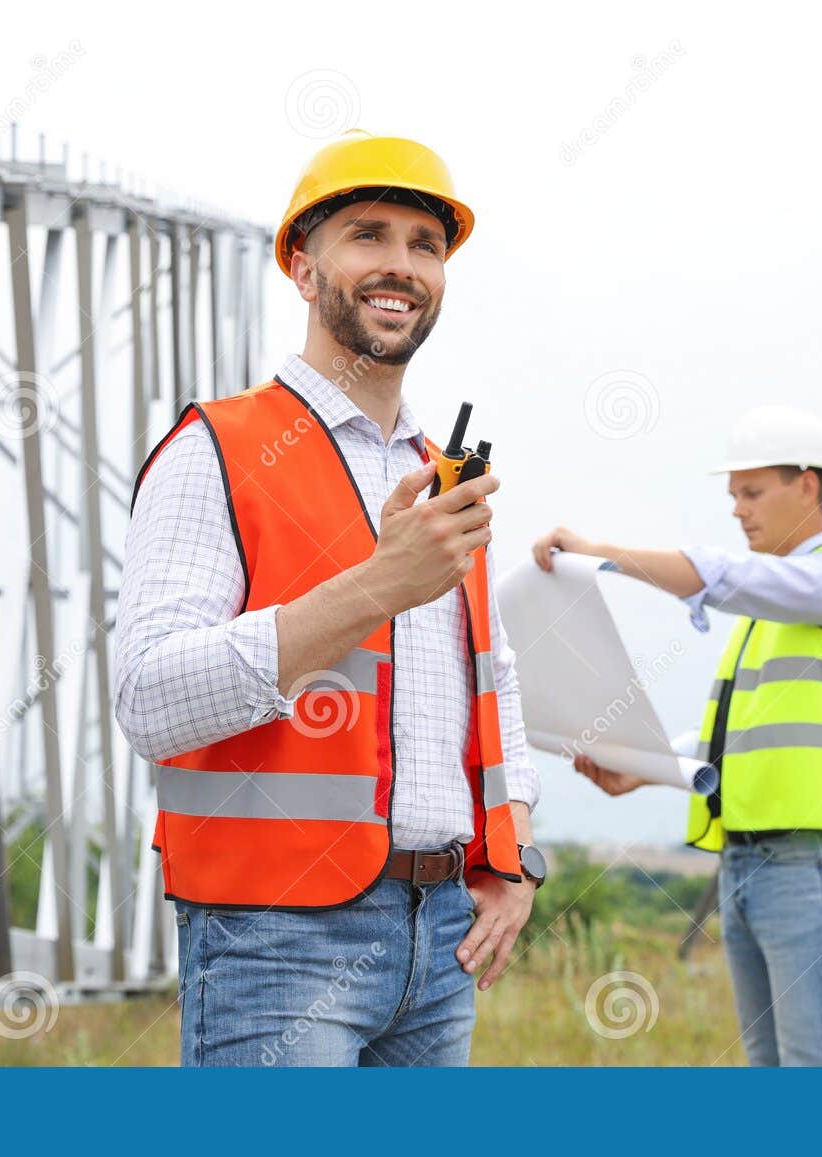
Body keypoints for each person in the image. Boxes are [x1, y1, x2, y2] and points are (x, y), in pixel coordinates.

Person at [116, 131, 547, 1067]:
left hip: (440, 947)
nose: (400, 264)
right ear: (304, 268)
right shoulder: (215, 450)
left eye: (425, 244)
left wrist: (515, 863)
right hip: (272, 940)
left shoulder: (445, 480)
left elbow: (494, 683)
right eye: (368, 234)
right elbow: (148, 699)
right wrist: (372, 588)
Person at [532, 405, 822, 1066]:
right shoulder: (767, 617)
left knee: (815, 1069)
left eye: (752, 493)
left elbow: (725, 575)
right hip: (746, 864)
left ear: (808, 485)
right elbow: (736, 737)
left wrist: (603, 556)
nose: (738, 510)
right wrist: (646, 765)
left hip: (809, 864)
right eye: (732, 497)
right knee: (769, 1067)